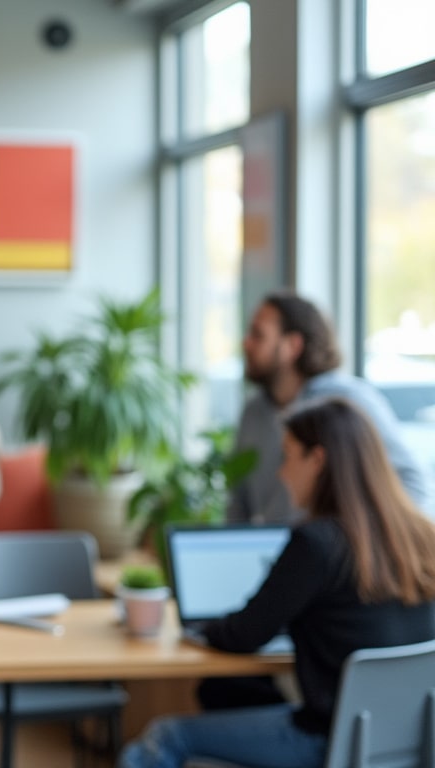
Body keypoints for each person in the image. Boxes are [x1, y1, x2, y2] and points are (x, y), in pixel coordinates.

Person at [120, 397, 435, 768]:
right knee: (229, 692)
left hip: (326, 742)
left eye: (287, 457)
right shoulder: (422, 536)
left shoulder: (316, 544)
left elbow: (244, 634)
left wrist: (203, 629)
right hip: (407, 744)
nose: (281, 473)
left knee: (165, 736)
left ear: (317, 460)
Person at [228, 290, 429, 525]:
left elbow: (411, 483)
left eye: (258, 335)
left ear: (293, 345)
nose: (246, 343)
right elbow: (239, 501)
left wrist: (368, 548)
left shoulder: (346, 404)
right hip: (278, 555)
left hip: (338, 556)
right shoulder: (254, 412)